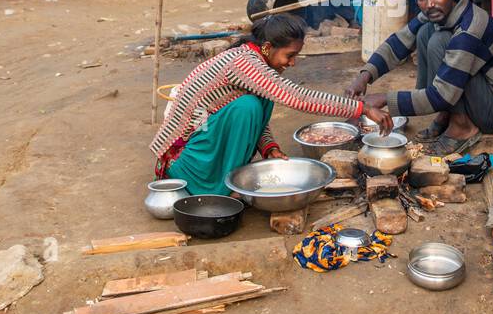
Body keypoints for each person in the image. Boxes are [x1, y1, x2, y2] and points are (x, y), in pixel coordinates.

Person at [151, 13, 393, 195]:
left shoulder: (256, 60)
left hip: (200, 143)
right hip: (183, 162)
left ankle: (226, 180)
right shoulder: (243, 63)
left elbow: (258, 120)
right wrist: (362, 108)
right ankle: (216, 189)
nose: (293, 63)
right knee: (248, 106)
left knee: (256, 103)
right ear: (267, 47)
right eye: (290, 55)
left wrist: (269, 148)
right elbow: (298, 98)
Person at [347, 0, 493, 156]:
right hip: (481, 100)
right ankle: (448, 113)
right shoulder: (439, 12)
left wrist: (384, 98)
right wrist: (364, 75)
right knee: (424, 32)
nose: (429, 4)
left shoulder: (470, 28)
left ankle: (462, 126)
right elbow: (400, 41)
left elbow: (442, 95)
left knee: (439, 40)